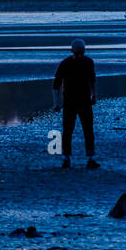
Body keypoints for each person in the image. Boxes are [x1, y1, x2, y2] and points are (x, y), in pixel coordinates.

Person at [53, 38, 99, 169]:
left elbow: (92, 79)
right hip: (70, 101)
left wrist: (94, 95)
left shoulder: (88, 62)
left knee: (87, 129)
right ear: (72, 51)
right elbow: (56, 84)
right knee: (68, 130)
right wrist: (57, 103)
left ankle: (90, 157)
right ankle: (67, 157)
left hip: (84, 101)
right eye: (77, 53)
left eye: (81, 53)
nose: (79, 56)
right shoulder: (65, 64)